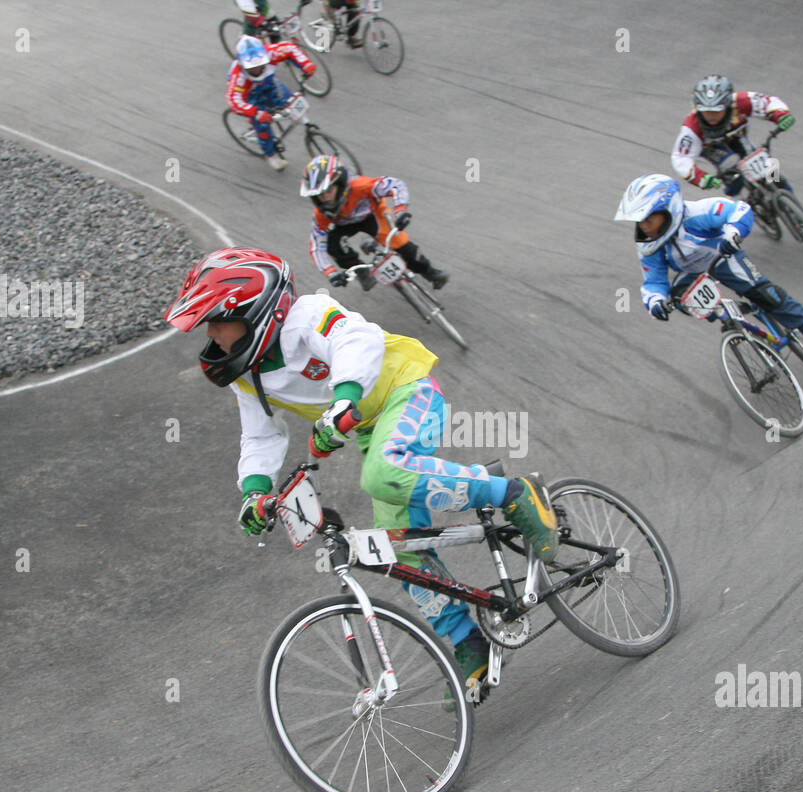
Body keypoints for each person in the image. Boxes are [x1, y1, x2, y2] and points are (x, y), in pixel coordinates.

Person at [163, 247, 559, 690]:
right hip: (370, 428)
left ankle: (516, 494)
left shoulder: (306, 315)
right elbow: (260, 436)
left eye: (217, 321)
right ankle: (469, 641)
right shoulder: (247, 375)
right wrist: (254, 492)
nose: (211, 334)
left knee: (382, 473)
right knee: (397, 548)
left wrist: (344, 399)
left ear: (254, 312)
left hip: (406, 390)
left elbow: (357, 340)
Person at [615, 173, 803, 358]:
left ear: (668, 211)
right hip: (691, 273)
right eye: (639, 222)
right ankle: (731, 320)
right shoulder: (648, 246)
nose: (645, 228)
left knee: (765, 294)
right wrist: (656, 301)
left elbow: (739, 209)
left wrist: (733, 232)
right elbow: (654, 281)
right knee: (679, 297)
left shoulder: (698, 213)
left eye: (648, 220)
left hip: (722, 256)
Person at [671, 74, 803, 221]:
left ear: (729, 104)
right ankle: (738, 202)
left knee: (770, 169)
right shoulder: (691, 127)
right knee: (731, 167)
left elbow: (767, 103)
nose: (711, 116)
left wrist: (780, 115)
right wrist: (702, 178)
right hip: (712, 147)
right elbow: (681, 157)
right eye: (706, 111)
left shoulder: (741, 102)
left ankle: (798, 209)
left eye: (717, 110)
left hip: (737, 138)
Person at [299, 154, 449, 291]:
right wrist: (330, 272)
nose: (325, 198)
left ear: (341, 183)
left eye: (328, 191)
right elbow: (317, 246)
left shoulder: (361, 186)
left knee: (402, 244)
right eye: (319, 195)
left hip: (373, 214)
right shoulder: (320, 215)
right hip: (343, 225)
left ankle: (430, 272)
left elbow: (396, 185)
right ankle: (361, 272)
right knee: (332, 246)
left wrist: (401, 210)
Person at [226, 35, 317, 171]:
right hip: (251, 95)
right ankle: (270, 154)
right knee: (263, 124)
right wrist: (256, 113)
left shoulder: (270, 52)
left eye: (260, 65)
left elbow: (290, 48)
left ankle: (304, 122)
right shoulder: (238, 77)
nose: (257, 70)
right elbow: (233, 101)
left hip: (269, 84)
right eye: (253, 68)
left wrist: (306, 64)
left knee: (290, 101)